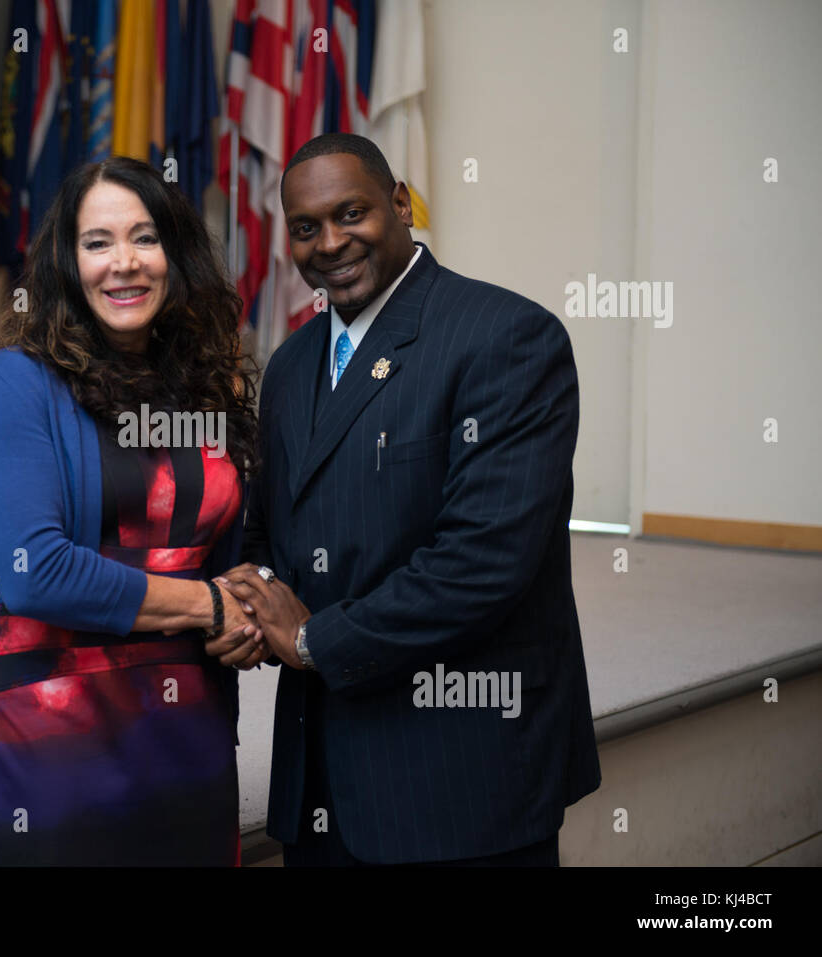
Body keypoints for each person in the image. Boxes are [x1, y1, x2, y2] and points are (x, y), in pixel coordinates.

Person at [211, 132, 601, 866]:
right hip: (320, 785)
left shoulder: (506, 337)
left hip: (459, 785)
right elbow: (267, 534)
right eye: (305, 227)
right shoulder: (292, 364)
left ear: (400, 204)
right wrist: (250, 602)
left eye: (350, 213)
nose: (329, 242)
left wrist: (310, 640)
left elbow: (482, 564)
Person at [0, 156, 262, 866]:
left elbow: (224, 549)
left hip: (191, 715)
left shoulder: (200, 384)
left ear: (175, 253)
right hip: (55, 718)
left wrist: (245, 611)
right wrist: (208, 605)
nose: (123, 263)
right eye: (98, 242)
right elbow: (39, 574)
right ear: (68, 261)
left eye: (144, 237)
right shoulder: (15, 383)